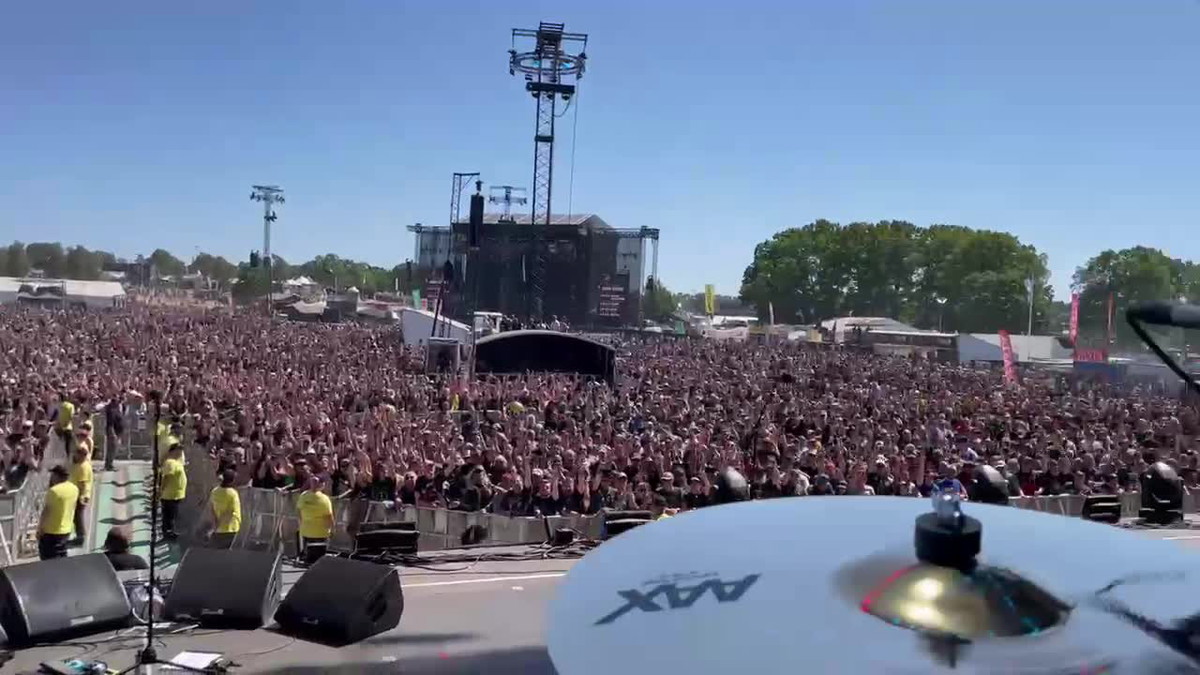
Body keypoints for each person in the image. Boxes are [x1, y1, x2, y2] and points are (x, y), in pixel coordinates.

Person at [38, 465, 79, 560]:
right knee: (62, 555)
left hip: (51, 531)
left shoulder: (54, 491)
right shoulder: (74, 488)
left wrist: (40, 529)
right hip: (67, 529)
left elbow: (47, 511)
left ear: (57, 476)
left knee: (47, 557)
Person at [296, 473, 333, 565]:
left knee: (308, 553)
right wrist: (332, 529)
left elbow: (299, 512)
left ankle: (305, 559)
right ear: (321, 485)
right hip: (321, 532)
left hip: (306, 531)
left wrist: (301, 524)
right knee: (319, 556)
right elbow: (329, 516)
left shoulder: (303, 496)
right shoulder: (325, 499)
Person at [159, 442, 187, 540]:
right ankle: (168, 533)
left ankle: (170, 532)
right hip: (170, 494)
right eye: (179, 451)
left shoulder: (176, 462)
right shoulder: (170, 462)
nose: (180, 453)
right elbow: (167, 477)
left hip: (176, 494)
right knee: (169, 516)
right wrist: (161, 490)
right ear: (173, 451)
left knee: (172, 515)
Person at [207, 469, 241, 549]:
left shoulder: (215, 491)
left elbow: (211, 507)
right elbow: (231, 510)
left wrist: (216, 523)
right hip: (231, 527)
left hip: (218, 528)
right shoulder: (232, 493)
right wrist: (221, 521)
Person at [68, 443, 93, 547]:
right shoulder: (78, 464)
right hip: (78, 494)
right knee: (76, 516)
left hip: (81, 495)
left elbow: (82, 483)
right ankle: (79, 536)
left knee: (78, 517)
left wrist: (80, 496)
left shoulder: (83, 467)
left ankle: (81, 537)